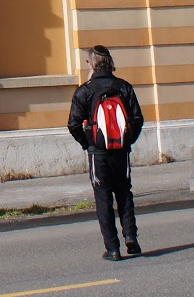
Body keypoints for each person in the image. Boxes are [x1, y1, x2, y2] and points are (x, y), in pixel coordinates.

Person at [68, 44, 144, 261]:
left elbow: (73, 124)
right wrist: (127, 140)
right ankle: (131, 238)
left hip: (98, 154)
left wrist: (88, 143)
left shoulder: (84, 91)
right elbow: (138, 119)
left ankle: (113, 248)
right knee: (124, 193)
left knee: (103, 199)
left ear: (91, 64)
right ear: (110, 62)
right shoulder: (124, 87)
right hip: (121, 152)